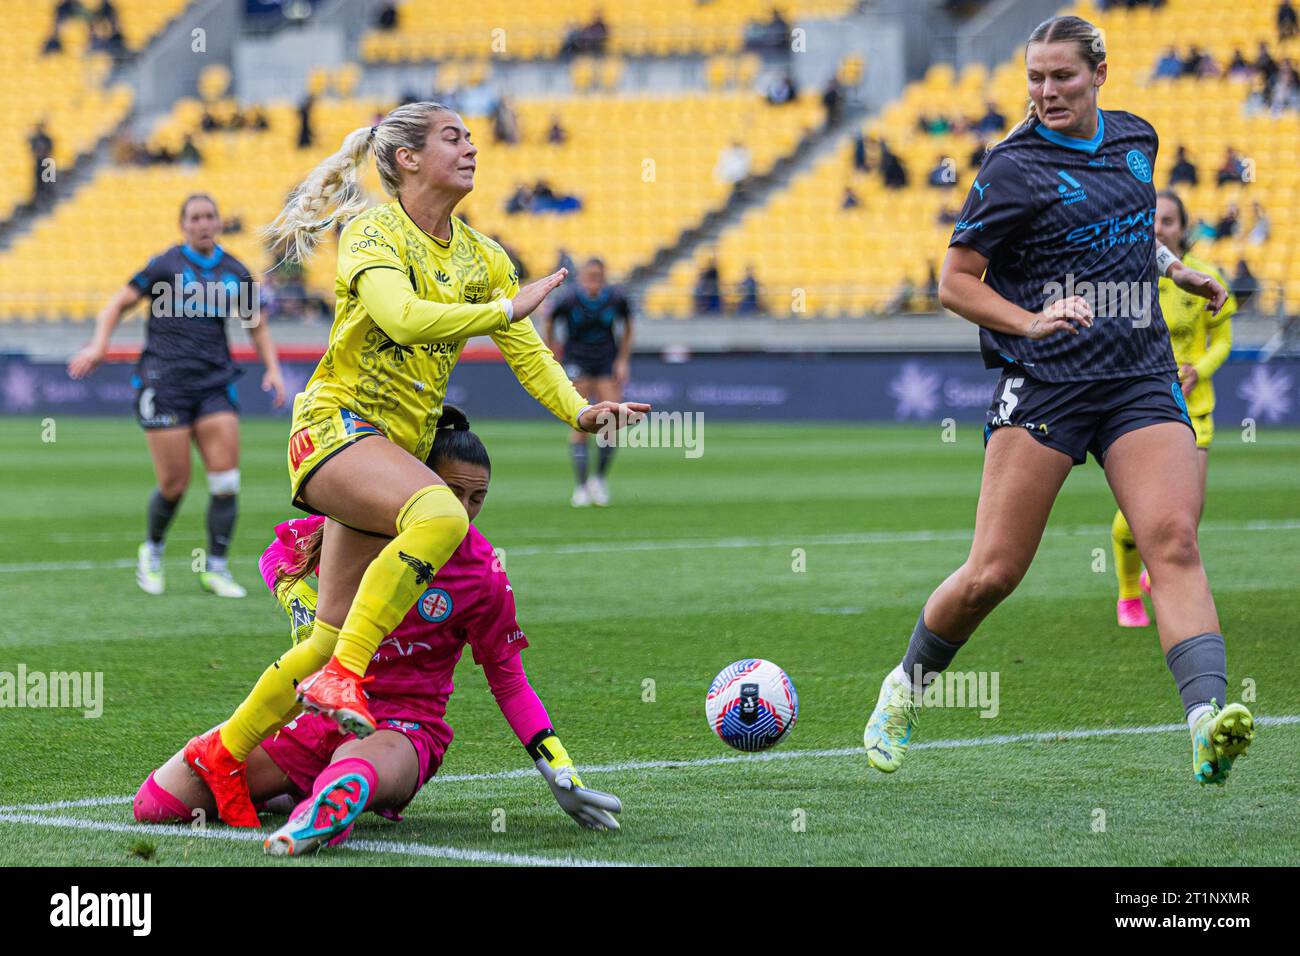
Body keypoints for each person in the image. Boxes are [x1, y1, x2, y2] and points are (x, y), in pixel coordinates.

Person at [178, 101, 647, 826]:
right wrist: (501, 312)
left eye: (470, 137)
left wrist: (577, 409)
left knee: (330, 630)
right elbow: (400, 317)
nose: (471, 148)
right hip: (334, 426)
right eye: (453, 138)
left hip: (387, 453)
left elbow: (529, 354)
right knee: (439, 512)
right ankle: (344, 679)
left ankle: (220, 754)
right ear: (406, 158)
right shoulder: (372, 231)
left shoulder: (483, 257)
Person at [862, 15, 1255, 788]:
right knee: (994, 573)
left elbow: (1129, 225)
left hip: (1139, 372)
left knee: (1171, 542)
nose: (1046, 91)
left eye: (1061, 76)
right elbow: (954, 283)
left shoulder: (1137, 138)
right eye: (1035, 78)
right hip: (1047, 381)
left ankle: (1208, 723)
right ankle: (902, 691)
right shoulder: (1012, 167)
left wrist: (1175, 270)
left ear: (1100, 73)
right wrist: (1032, 321)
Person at [134, 408, 623, 850]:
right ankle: (304, 788)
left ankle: (327, 801)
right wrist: (304, 609)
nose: (465, 511)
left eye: (477, 498)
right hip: (320, 711)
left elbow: (508, 679)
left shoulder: (482, 571)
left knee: (356, 771)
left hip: (404, 727)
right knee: (161, 804)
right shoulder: (354, 528)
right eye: (452, 494)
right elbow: (277, 553)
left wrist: (559, 768)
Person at [67, 194, 286, 598]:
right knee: (174, 484)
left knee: (226, 481)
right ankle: (151, 551)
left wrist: (271, 368)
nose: (203, 224)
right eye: (195, 218)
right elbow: (117, 303)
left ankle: (216, 568)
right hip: (165, 384)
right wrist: (99, 345)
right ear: (183, 225)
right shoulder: (165, 264)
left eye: (209, 216)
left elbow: (256, 323)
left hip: (214, 385)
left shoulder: (235, 271)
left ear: (219, 222)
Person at [1112, 192, 1236, 628]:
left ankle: (1156, 574)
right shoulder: (1125, 278)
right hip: (1140, 408)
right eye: (1151, 219)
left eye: (1167, 220)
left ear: (1183, 227)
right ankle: (1128, 595)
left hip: (1193, 411)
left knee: (1184, 513)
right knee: (1132, 519)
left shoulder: (1203, 278)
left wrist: (1199, 369)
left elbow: (1222, 339)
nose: (1158, 227)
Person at [544, 258, 634, 508]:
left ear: (604, 276)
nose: (593, 279)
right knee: (580, 423)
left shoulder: (616, 299)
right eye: (589, 275)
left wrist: (623, 360)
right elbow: (550, 321)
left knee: (611, 422)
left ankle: (599, 481)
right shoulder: (569, 300)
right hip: (577, 361)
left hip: (606, 361)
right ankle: (581, 486)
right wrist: (552, 350)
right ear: (582, 276)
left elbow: (628, 326)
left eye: (598, 275)